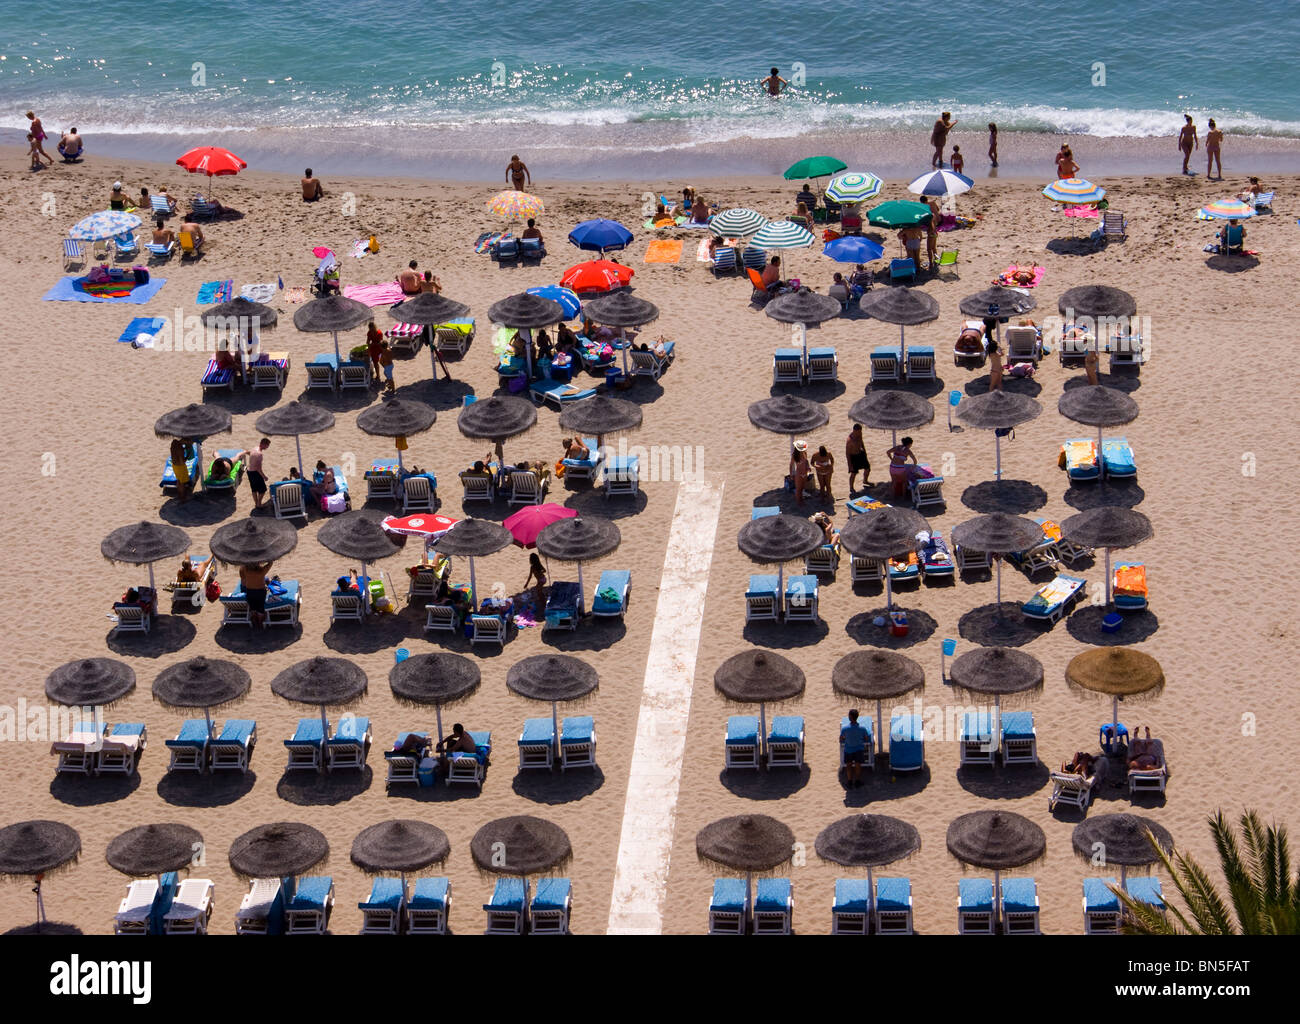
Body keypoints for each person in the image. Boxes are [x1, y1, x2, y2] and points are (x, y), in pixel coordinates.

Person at [239, 437, 271, 509]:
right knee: (262, 490)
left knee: (254, 489)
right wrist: (264, 477)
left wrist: (243, 453)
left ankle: (256, 503)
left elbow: (248, 452)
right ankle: (259, 504)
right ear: (263, 444)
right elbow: (258, 468)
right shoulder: (259, 454)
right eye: (267, 445)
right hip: (255, 473)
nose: (267, 447)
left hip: (249, 472)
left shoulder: (254, 448)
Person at [239, 560, 273, 627]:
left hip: (250, 591)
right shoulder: (262, 571)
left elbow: (241, 575)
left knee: (253, 607)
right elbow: (270, 563)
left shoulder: (246, 570)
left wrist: (244, 562)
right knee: (260, 607)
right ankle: (260, 623)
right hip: (260, 592)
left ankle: (255, 621)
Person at [840, 709, 869, 787]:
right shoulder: (862, 728)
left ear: (850, 717)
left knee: (848, 766)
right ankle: (857, 781)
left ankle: (849, 781)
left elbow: (841, 739)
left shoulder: (845, 729)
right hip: (858, 750)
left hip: (848, 750)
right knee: (858, 765)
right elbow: (866, 738)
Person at [845, 423, 870, 493]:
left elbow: (861, 442)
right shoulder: (849, 440)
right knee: (853, 473)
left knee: (868, 468)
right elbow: (847, 454)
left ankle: (865, 480)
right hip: (853, 457)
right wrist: (849, 465)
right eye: (859, 431)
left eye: (860, 431)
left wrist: (865, 451)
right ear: (854, 430)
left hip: (861, 454)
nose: (860, 433)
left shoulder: (860, 434)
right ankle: (851, 487)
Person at [169, 438, 193, 502]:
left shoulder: (174, 442)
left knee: (178, 480)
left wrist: (184, 449)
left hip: (174, 465)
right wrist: (187, 456)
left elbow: (175, 452)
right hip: (180, 466)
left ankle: (180, 495)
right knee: (182, 483)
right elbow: (182, 461)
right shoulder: (180, 449)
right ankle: (183, 498)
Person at [790, 441, 814, 506]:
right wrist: (791, 474)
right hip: (798, 474)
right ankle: (799, 502)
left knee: (802, 488)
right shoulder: (794, 455)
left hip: (805, 473)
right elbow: (791, 465)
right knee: (798, 489)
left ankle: (801, 500)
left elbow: (806, 461)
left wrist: (808, 467)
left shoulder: (804, 453)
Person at [924, 197, 941, 270]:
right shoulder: (933, 214)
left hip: (931, 233)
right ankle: (936, 260)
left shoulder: (929, 216)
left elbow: (931, 225)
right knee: (934, 248)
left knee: (929, 249)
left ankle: (931, 263)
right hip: (935, 232)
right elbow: (937, 209)